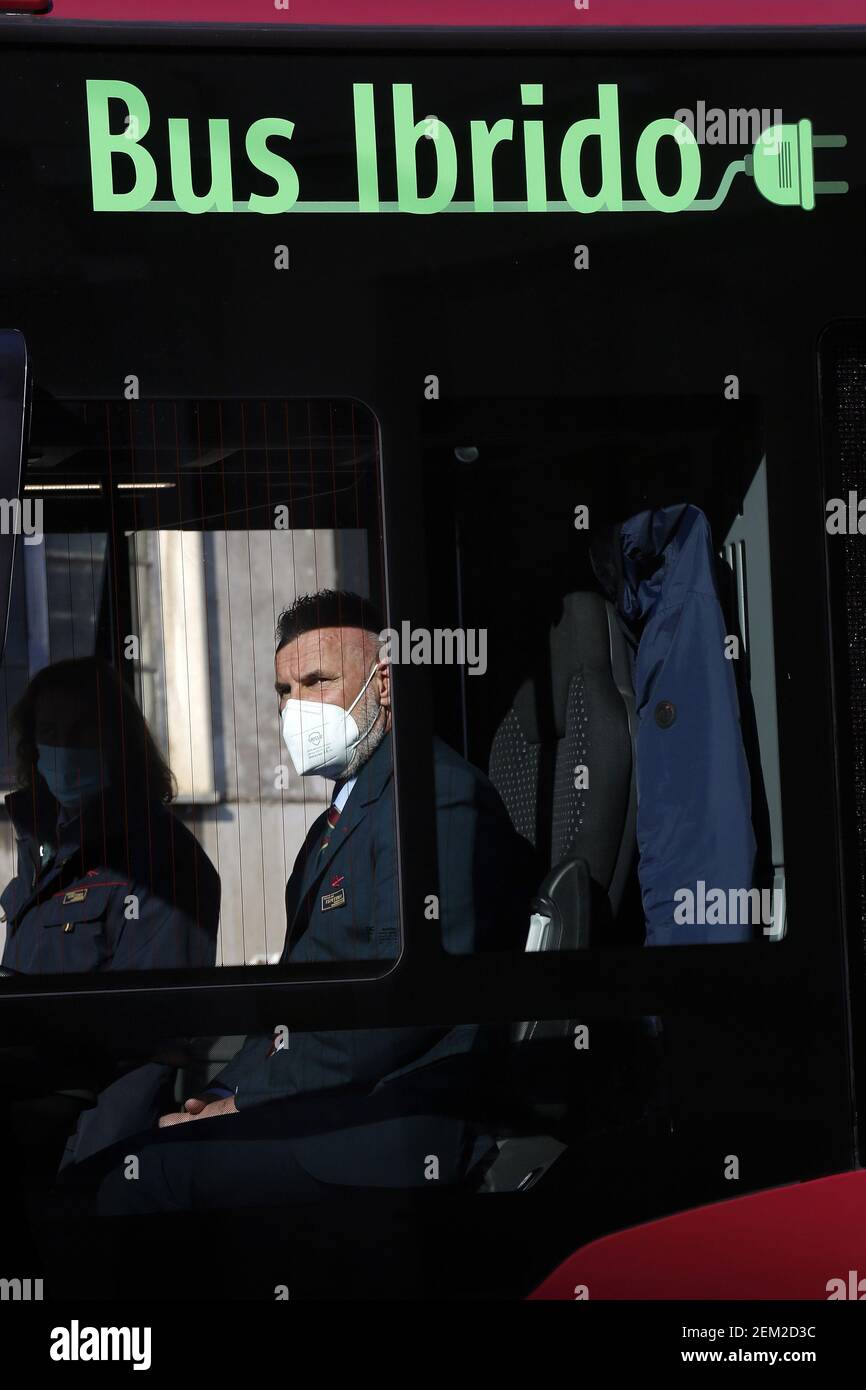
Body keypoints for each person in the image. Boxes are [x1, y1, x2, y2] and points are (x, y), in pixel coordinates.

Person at [96, 590, 536, 1212]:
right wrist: (219, 1092)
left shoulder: (432, 800)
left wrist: (246, 1103)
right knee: (120, 1156)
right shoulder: (341, 817)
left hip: (385, 1125)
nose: (296, 709)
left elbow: (404, 1002)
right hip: (332, 1106)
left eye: (318, 681)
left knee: (138, 1185)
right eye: (284, 690)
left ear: (383, 685)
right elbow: (298, 998)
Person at [0, 657, 220, 1176]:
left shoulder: (160, 859)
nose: (64, 750)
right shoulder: (45, 849)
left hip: (71, 1147)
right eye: (50, 733)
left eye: (81, 732)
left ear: (116, 739)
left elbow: (152, 1049)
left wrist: (89, 1173)